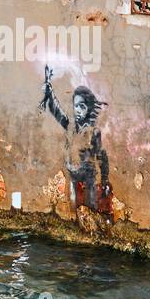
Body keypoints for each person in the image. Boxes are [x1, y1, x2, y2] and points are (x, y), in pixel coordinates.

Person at [39, 66, 112, 218]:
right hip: (72, 173)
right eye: (75, 106)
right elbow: (56, 111)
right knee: (72, 206)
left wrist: (104, 180)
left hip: (89, 176)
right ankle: (74, 222)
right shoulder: (70, 126)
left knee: (90, 206)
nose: (78, 110)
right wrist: (49, 89)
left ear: (89, 108)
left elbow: (101, 155)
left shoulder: (93, 131)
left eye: (82, 106)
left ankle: (90, 228)